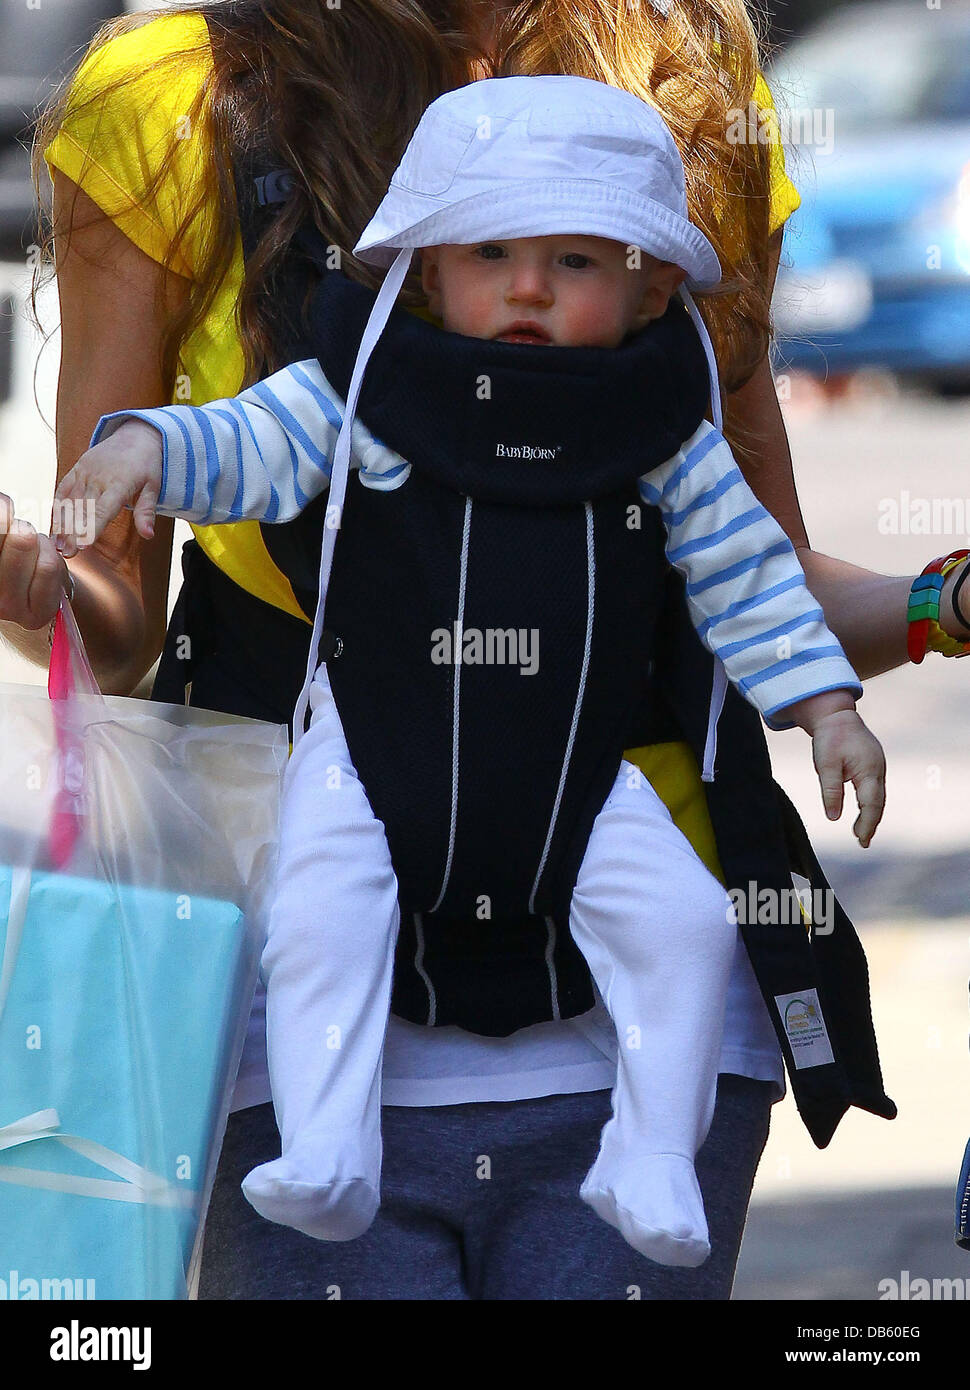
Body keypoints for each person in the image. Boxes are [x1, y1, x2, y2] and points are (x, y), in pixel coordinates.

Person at [0, 0, 944, 1298]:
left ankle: (652, 1155)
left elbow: (746, 575)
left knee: (668, 925)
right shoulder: (171, 99)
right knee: (328, 912)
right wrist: (71, 522)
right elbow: (120, 591)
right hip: (296, 988)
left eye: (575, 261)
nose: (527, 289)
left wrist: (936, 607)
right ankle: (327, 1148)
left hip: (620, 957)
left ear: (652, 277)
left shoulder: (682, 69)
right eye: (488, 252)